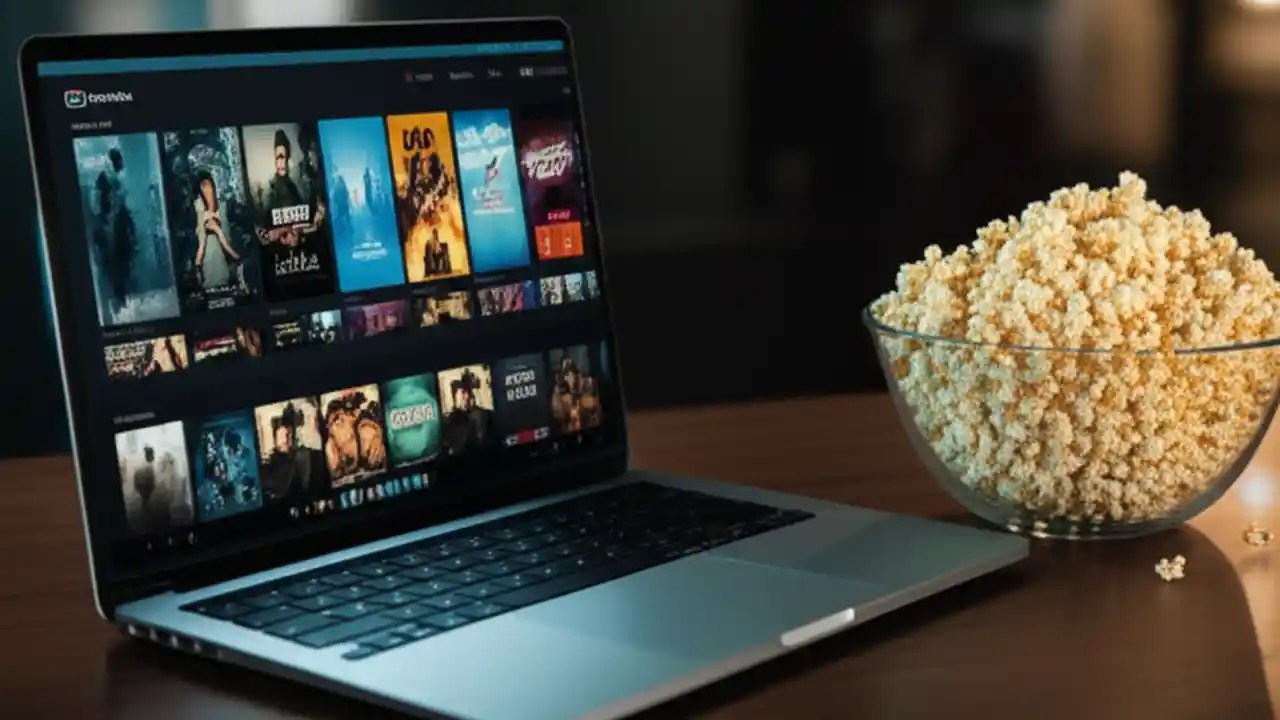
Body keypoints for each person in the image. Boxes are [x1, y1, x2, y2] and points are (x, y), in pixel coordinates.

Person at [93, 147, 137, 315]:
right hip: (111, 228)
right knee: (116, 262)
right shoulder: (106, 179)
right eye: (119, 160)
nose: (122, 164)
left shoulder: (113, 179)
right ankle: (120, 298)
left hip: (117, 226)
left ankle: (122, 296)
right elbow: (101, 204)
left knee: (122, 261)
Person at [192, 171, 241, 290]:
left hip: (226, 276)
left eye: (207, 185)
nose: (206, 191)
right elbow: (199, 250)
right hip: (207, 278)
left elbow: (233, 252)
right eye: (202, 187)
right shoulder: (198, 214)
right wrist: (201, 217)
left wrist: (218, 230)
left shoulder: (224, 209)